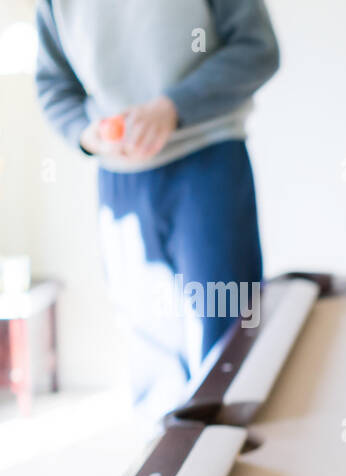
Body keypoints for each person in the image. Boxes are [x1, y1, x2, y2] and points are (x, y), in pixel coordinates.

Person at [34, 0, 280, 419]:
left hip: (209, 160)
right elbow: (53, 85)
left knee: (228, 343)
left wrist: (173, 107)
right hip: (120, 178)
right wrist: (86, 132)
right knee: (152, 358)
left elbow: (257, 49)